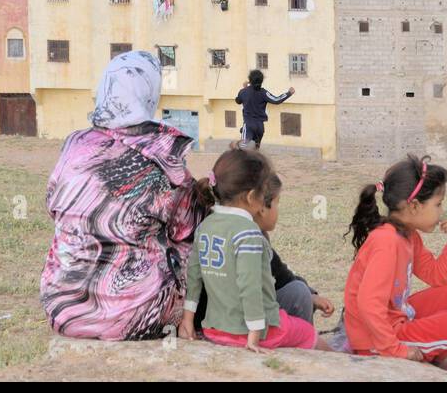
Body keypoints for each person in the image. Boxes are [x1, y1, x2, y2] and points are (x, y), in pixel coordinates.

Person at [39, 51, 203, 340]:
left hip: (62, 307)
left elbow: (53, 205)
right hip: (136, 314)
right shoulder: (164, 160)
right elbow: (190, 229)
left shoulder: (73, 146)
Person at [337, 156, 447, 374]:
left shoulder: (408, 236)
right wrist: (395, 349)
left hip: (396, 322)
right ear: (414, 206)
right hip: (376, 341)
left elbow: (435, 276)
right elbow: (368, 304)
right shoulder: (386, 242)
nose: (441, 212)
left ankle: (433, 356)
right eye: (438, 204)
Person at [178, 148, 329, 351]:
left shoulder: (206, 226)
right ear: (251, 197)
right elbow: (249, 287)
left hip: (214, 328)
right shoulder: (248, 233)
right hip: (252, 330)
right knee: (310, 335)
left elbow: (193, 276)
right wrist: (255, 334)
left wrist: (187, 320)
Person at [235, 69, 294, 150]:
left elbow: (238, 101)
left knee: (242, 148)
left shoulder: (243, 92)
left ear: (250, 80)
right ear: (261, 81)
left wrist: (245, 88)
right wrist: (289, 93)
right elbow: (276, 100)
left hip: (248, 125)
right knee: (255, 150)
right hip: (260, 127)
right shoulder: (264, 93)